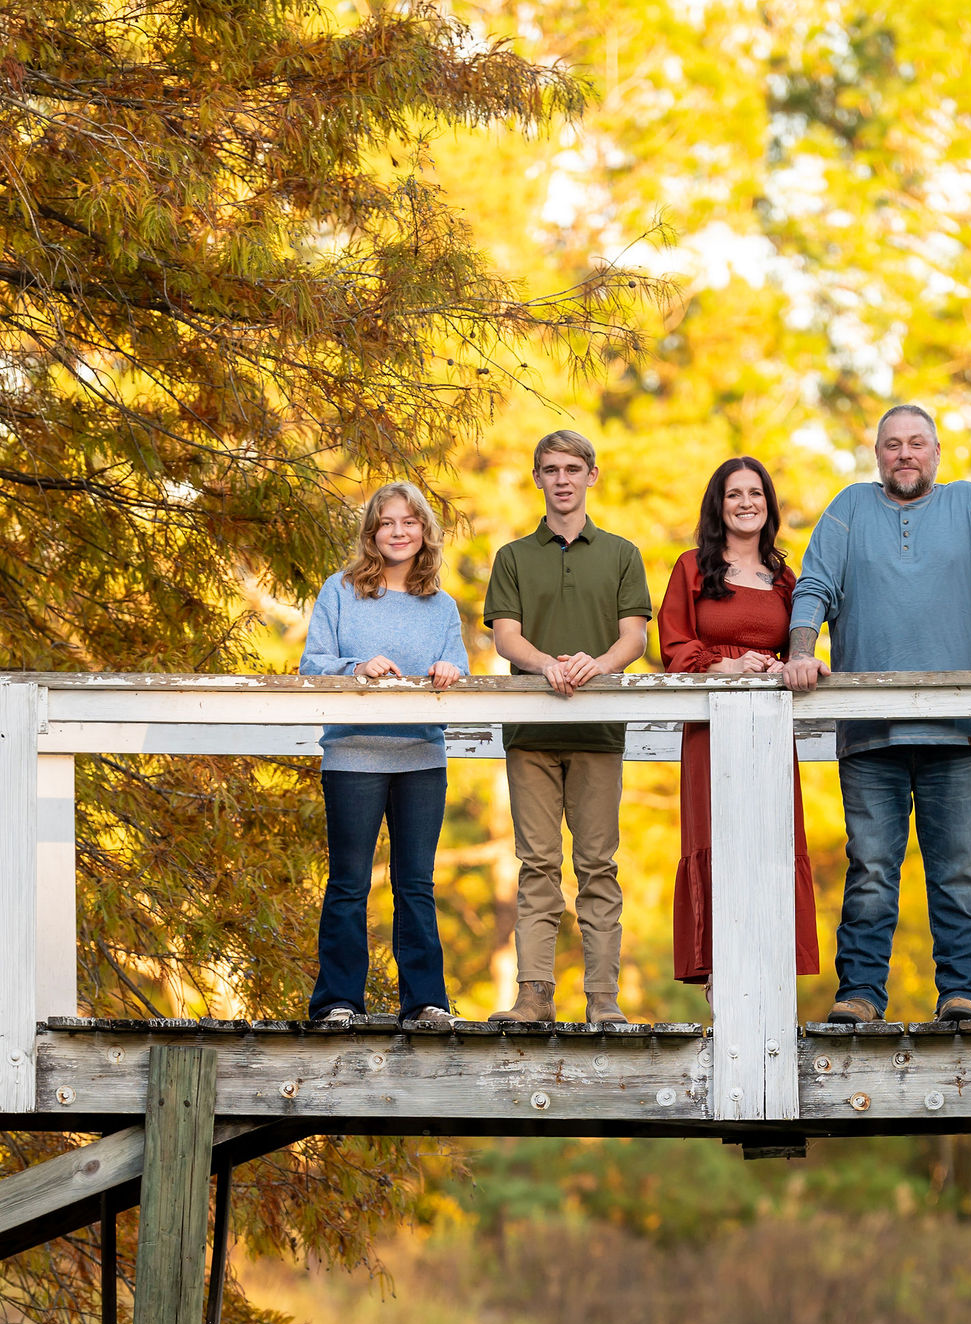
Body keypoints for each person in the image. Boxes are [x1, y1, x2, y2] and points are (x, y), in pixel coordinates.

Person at [783, 403, 971, 1024]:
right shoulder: (849, 509)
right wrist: (802, 653)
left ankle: (961, 994)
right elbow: (814, 586)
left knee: (956, 869)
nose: (904, 454)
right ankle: (860, 996)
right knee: (872, 868)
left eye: (916, 444)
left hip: (955, 733)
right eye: (891, 445)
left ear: (936, 452)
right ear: (876, 454)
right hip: (869, 735)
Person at [483, 430, 652, 1028]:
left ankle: (603, 1002)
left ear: (591, 476)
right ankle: (533, 998)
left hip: (599, 732)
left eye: (573, 468)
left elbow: (634, 636)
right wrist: (548, 664)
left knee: (598, 867)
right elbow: (505, 636)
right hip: (531, 732)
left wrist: (596, 665)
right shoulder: (512, 557)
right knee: (536, 866)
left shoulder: (621, 553)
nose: (562, 479)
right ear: (538, 478)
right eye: (551, 469)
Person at [300, 480, 468, 1034]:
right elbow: (313, 664)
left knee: (415, 882)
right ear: (373, 533)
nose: (399, 532)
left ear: (425, 533)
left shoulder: (441, 605)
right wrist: (357, 667)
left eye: (409, 522)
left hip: (421, 754)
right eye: (387, 523)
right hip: (353, 753)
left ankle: (425, 1003)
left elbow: (458, 667)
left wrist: (450, 673)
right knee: (349, 881)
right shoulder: (340, 592)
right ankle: (338, 1003)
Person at [659, 457, 819, 991]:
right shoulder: (692, 568)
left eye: (756, 493)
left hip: (773, 728)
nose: (746, 502)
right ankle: (718, 976)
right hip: (712, 726)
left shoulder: (786, 578)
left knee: (772, 835)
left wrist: (784, 664)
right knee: (717, 830)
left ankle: (770, 969)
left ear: (769, 505)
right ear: (718, 505)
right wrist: (725, 665)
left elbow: (802, 644)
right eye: (734, 494)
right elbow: (675, 646)